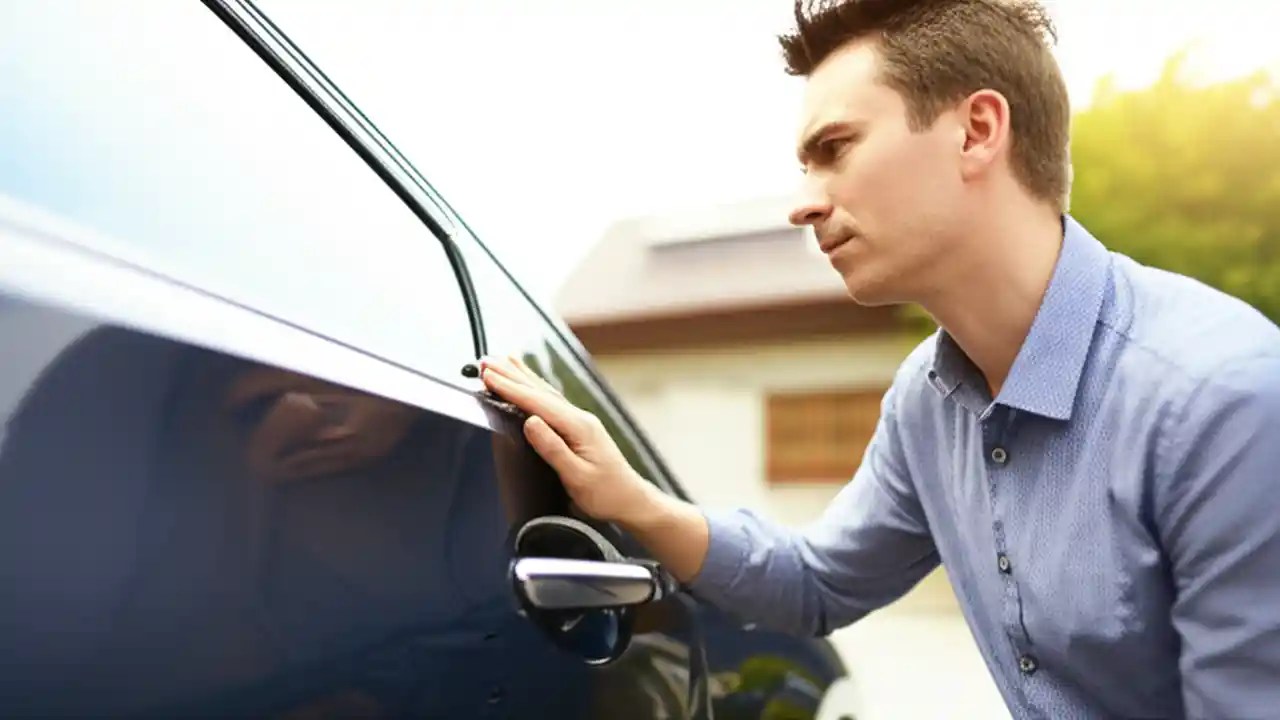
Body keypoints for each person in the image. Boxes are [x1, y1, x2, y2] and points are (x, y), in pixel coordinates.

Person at [480, 0, 1280, 716]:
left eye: (835, 148)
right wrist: (630, 497)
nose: (803, 201)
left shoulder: (1221, 400)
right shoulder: (926, 403)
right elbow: (817, 582)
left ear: (976, 131)